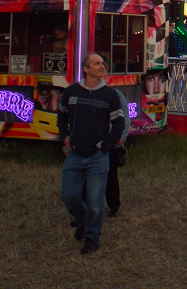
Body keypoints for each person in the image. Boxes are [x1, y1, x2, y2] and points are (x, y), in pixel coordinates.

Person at [57, 52, 124, 255]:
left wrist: (106, 146)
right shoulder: (72, 92)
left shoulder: (110, 95)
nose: (101, 66)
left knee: (95, 204)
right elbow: (61, 115)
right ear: (86, 69)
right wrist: (65, 136)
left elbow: (119, 123)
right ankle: (85, 221)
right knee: (69, 196)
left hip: (97, 158)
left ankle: (91, 238)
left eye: (102, 63)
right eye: (96, 64)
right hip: (75, 154)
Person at [100, 62, 130, 217]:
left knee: (111, 175)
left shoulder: (115, 94)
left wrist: (120, 138)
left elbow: (124, 116)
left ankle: (114, 205)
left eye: (105, 74)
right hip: (93, 143)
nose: (102, 77)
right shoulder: (86, 94)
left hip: (111, 142)